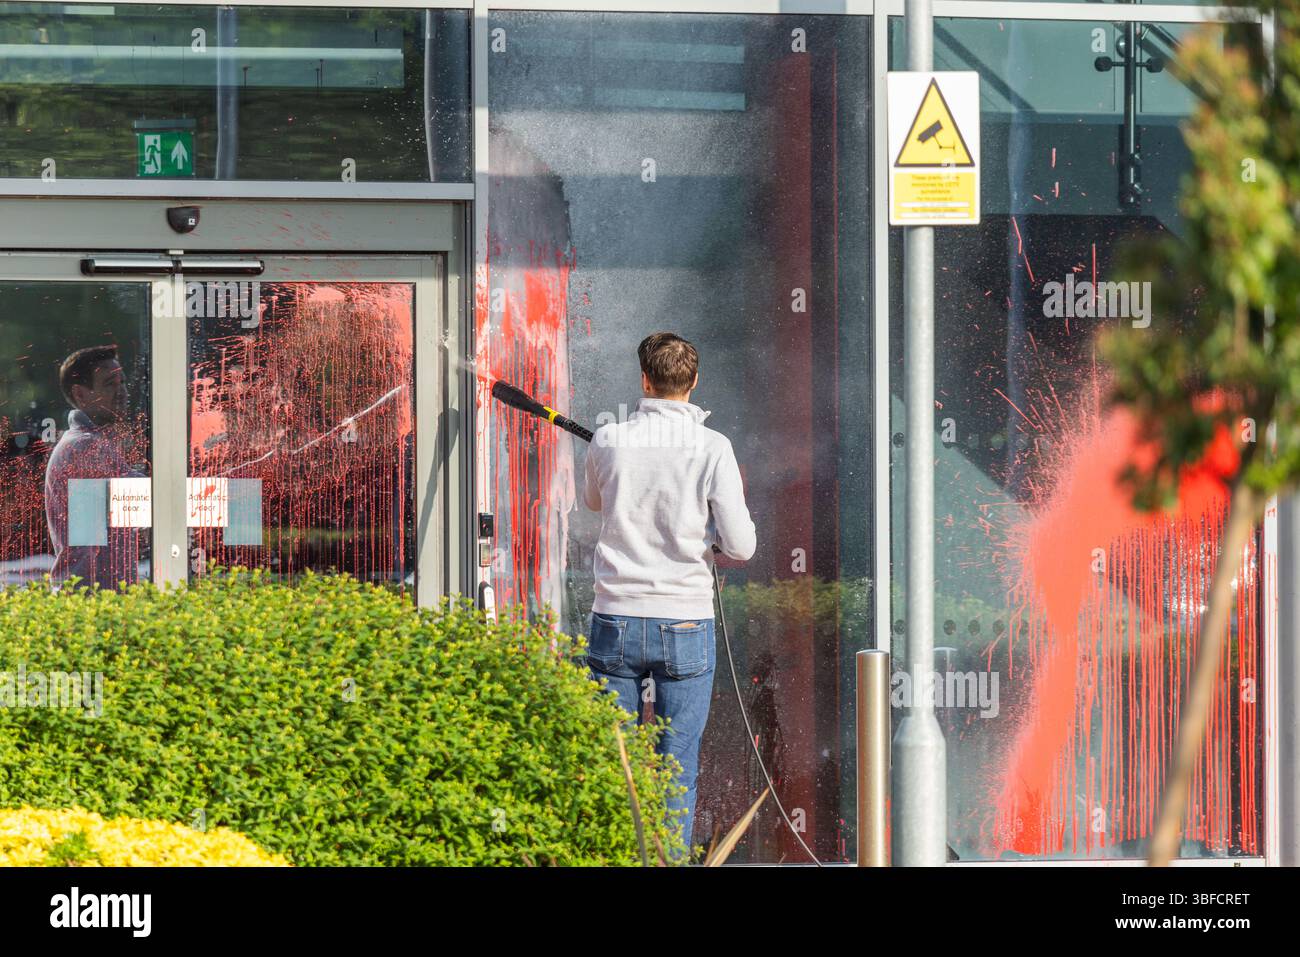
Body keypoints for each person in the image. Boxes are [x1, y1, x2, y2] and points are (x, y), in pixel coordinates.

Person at [581, 332, 756, 859]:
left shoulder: (609, 440)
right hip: (685, 622)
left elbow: (593, 501)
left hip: (614, 618)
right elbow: (742, 547)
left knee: (617, 764)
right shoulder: (713, 448)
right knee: (676, 762)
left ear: (644, 380)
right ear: (694, 383)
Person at [44, 345, 147, 591]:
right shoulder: (84, 448)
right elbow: (150, 501)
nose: (122, 391)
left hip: (94, 601)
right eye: (110, 383)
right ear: (80, 395)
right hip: (91, 604)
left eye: (122, 382)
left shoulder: (93, 443)